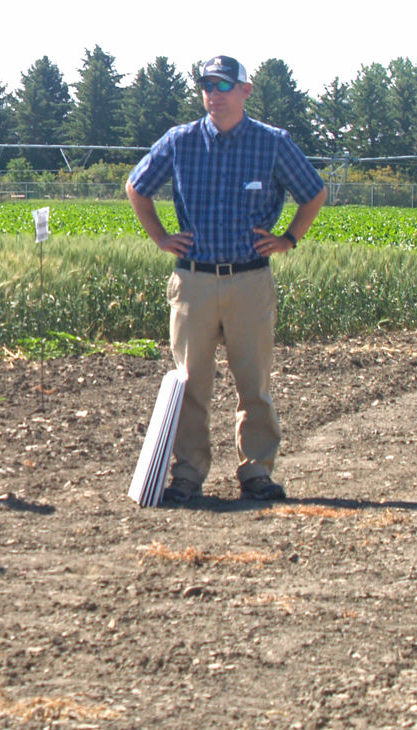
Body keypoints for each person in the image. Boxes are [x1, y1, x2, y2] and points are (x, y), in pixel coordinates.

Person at [125, 55, 327, 504]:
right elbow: (136, 187)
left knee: (253, 384)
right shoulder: (180, 141)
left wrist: (289, 238)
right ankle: (188, 476)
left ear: (245, 90)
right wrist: (160, 236)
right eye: (207, 86)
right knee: (191, 384)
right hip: (193, 282)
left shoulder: (271, 144)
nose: (213, 94)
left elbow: (314, 192)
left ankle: (256, 472)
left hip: (249, 282)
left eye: (223, 85)